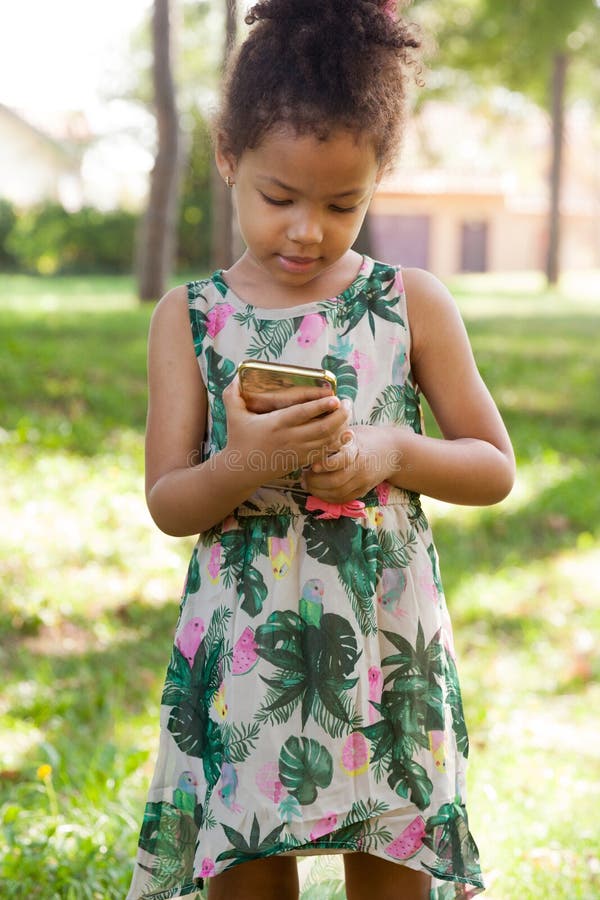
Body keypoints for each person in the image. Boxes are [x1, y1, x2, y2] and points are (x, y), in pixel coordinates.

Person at [126, 1, 515, 898]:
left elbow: (493, 466)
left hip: (383, 640)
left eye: (344, 203)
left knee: (391, 863)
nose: (307, 229)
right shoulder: (190, 318)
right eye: (279, 197)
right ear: (229, 157)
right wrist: (247, 463)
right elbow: (168, 501)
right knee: (251, 865)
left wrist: (391, 450)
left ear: (381, 177)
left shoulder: (410, 300)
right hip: (249, 650)